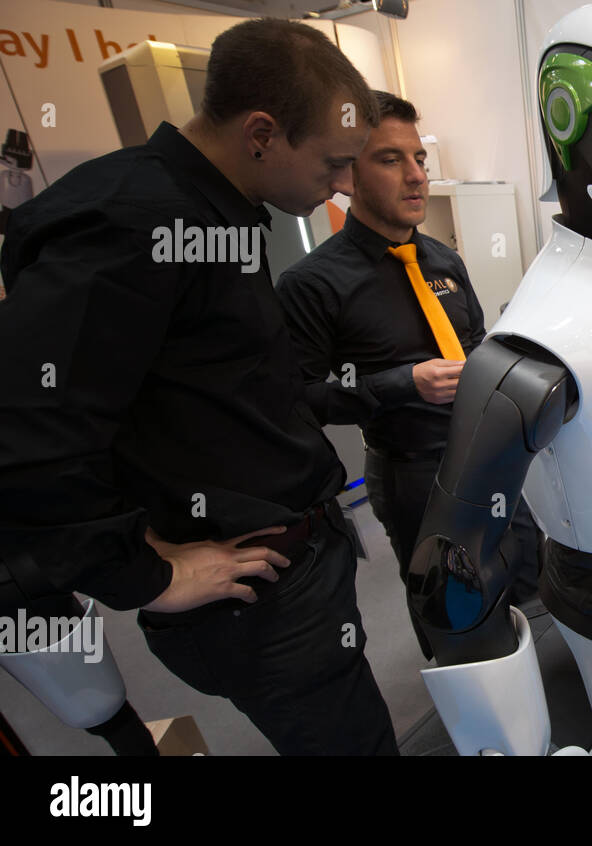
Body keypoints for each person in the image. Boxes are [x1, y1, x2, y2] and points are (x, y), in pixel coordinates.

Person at [0, 19, 398, 755]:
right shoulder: (133, 221)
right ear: (261, 134)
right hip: (253, 600)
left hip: (299, 565)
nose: (345, 185)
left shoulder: (218, 213)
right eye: (334, 163)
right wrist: (147, 575)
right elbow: (29, 436)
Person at [276, 91, 539, 658]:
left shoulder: (443, 259)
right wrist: (401, 384)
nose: (416, 176)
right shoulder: (313, 284)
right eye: (391, 160)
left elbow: (473, 347)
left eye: (419, 159)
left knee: (523, 576)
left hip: (489, 455)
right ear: (346, 173)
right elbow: (297, 399)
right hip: (415, 474)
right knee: (455, 610)